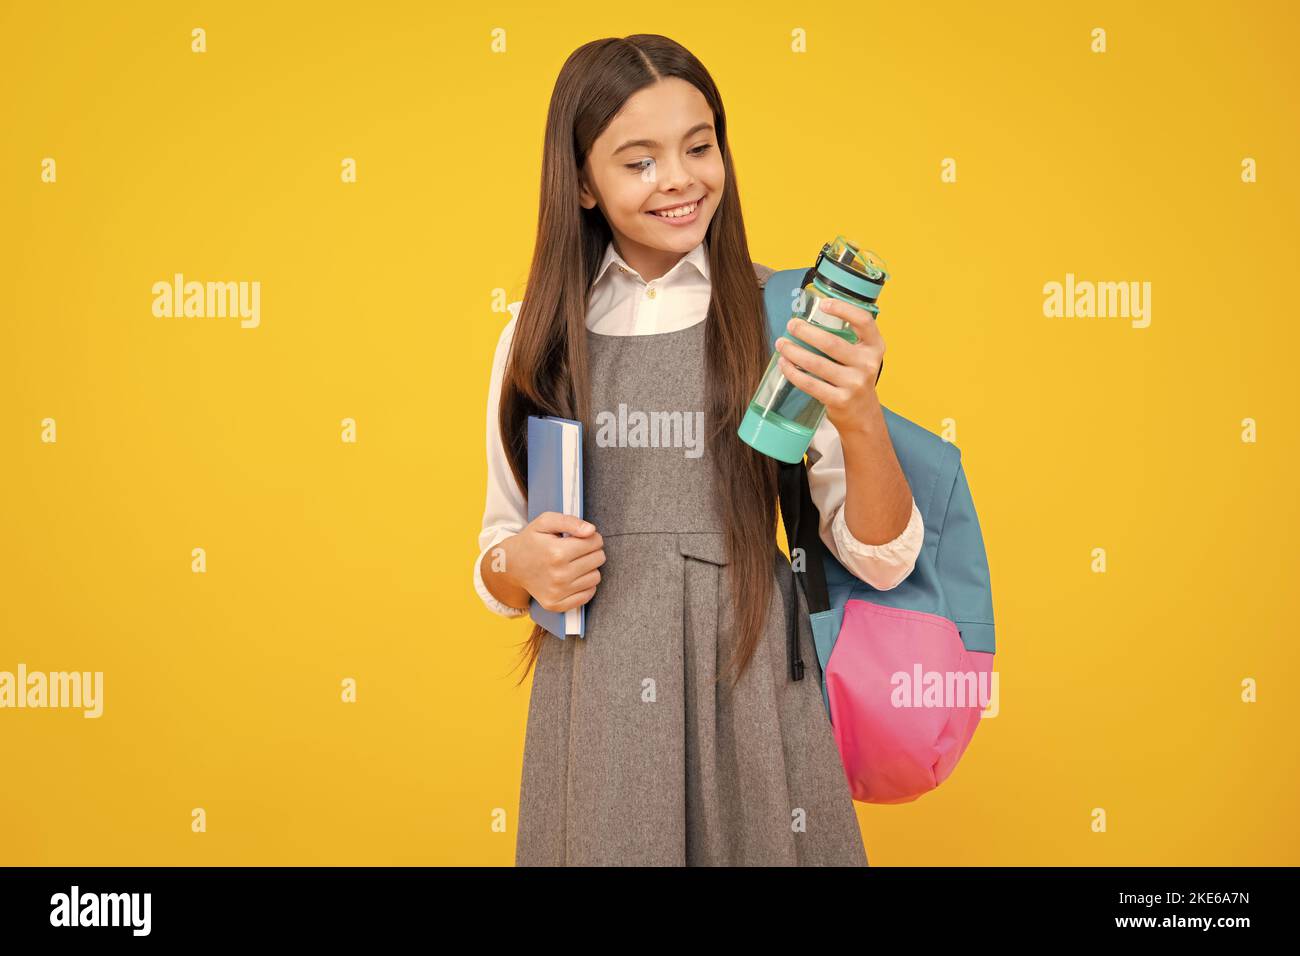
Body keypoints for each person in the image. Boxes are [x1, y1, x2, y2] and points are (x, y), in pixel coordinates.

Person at [474, 34, 923, 866]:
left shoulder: (781, 314)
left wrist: (860, 415)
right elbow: (499, 554)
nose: (679, 179)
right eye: (637, 162)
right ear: (580, 182)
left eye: (699, 146)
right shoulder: (536, 341)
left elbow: (883, 557)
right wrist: (521, 567)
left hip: (751, 686)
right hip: (598, 704)